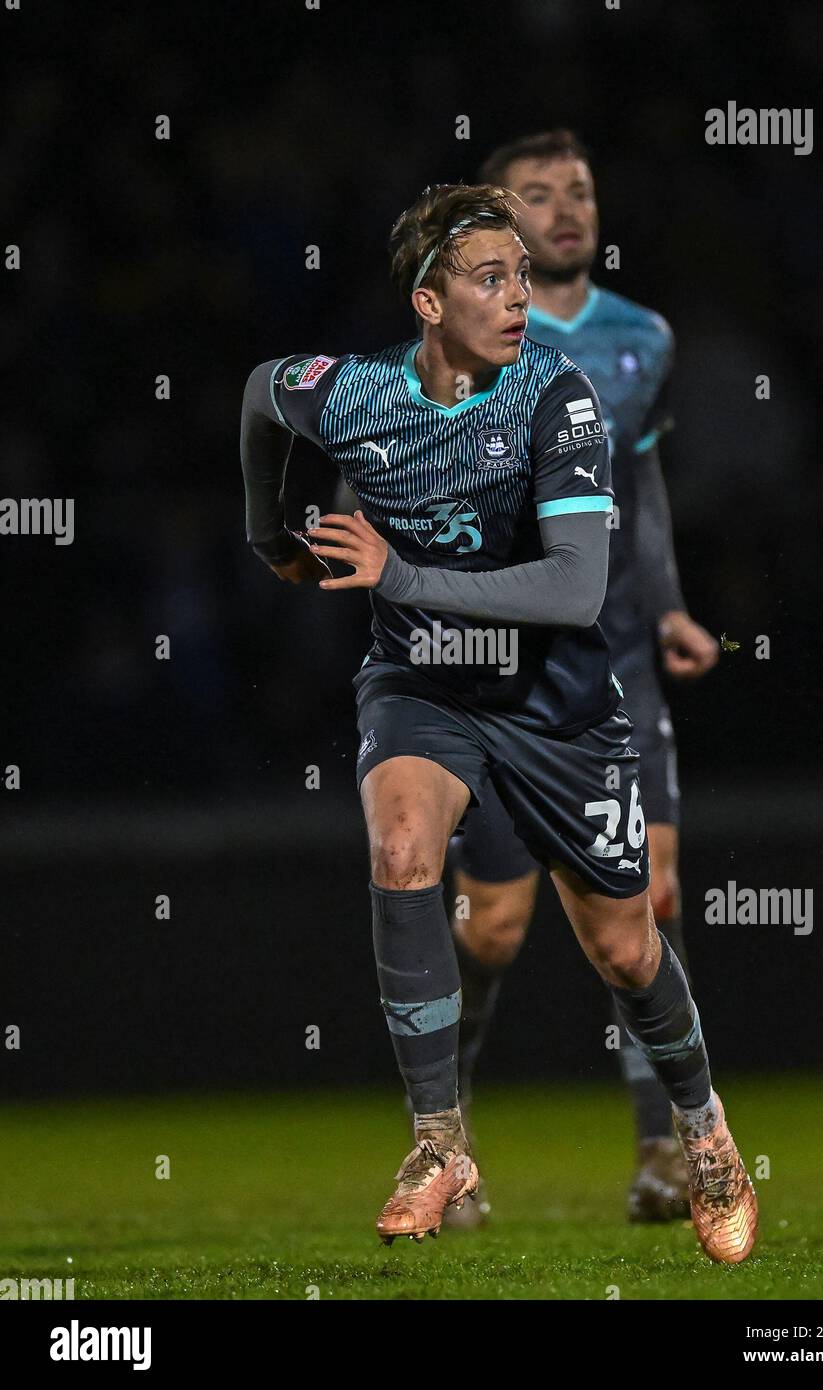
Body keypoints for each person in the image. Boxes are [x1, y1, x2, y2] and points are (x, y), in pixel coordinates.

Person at [239, 182, 757, 1262]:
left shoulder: (554, 400)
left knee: (622, 946)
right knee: (399, 847)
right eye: (490, 278)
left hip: (557, 707)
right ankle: (439, 1142)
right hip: (423, 689)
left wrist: (400, 570)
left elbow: (574, 590)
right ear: (428, 303)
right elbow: (259, 391)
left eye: (522, 275)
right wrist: (267, 534)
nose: (519, 295)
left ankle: (705, 1134)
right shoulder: (354, 392)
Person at [437, 130, 721, 1227]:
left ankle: (663, 1151)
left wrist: (669, 606)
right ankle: (443, 1134)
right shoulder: (464, 339)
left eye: (581, 191)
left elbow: (639, 489)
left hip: (617, 670)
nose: (566, 210)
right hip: (503, 673)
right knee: (494, 926)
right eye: (538, 195)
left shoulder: (640, 337)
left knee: (648, 897)